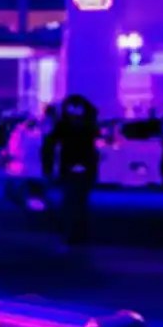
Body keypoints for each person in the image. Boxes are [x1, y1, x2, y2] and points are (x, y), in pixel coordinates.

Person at [43, 94, 100, 247]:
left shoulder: (65, 126)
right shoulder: (87, 125)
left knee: (72, 200)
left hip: (72, 165)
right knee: (78, 200)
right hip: (82, 166)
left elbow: (49, 144)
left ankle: (72, 233)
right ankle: (77, 232)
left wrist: (47, 169)